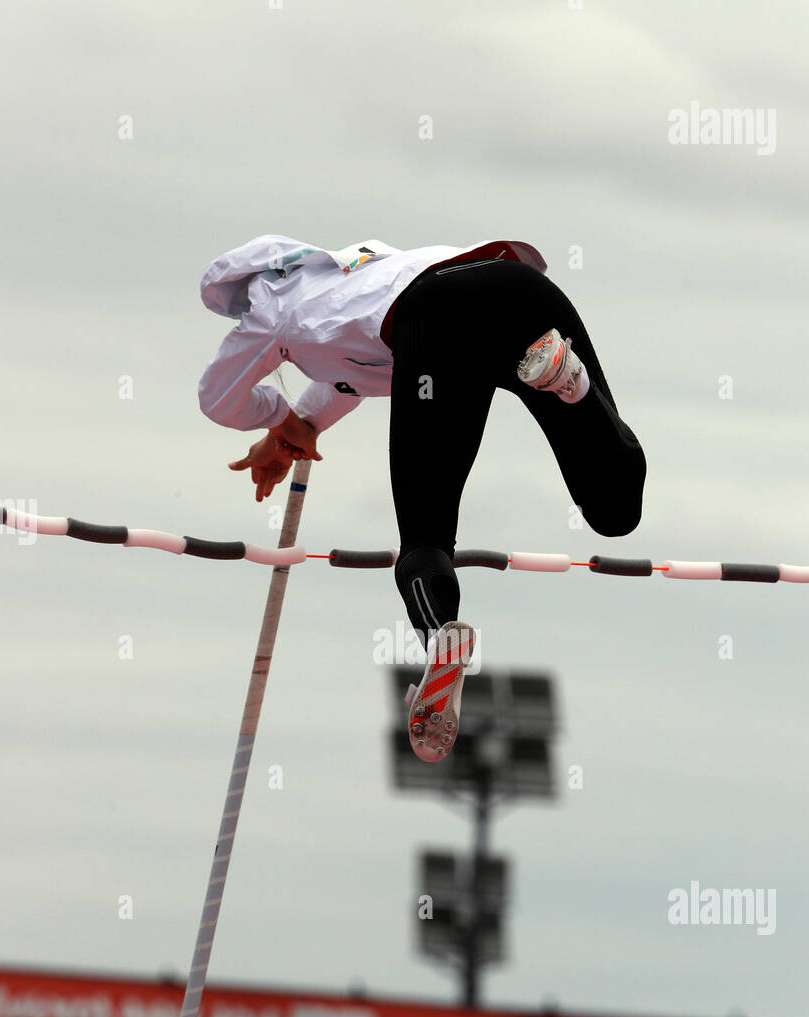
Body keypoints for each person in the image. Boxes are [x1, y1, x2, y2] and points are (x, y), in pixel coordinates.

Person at [198, 234, 646, 760]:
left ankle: (442, 641)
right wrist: (298, 427)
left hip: (442, 320)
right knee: (614, 508)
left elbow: (218, 399)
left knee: (425, 541)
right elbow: (346, 379)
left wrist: (278, 417)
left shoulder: (269, 311)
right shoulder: (357, 269)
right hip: (519, 289)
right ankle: (570, 383)